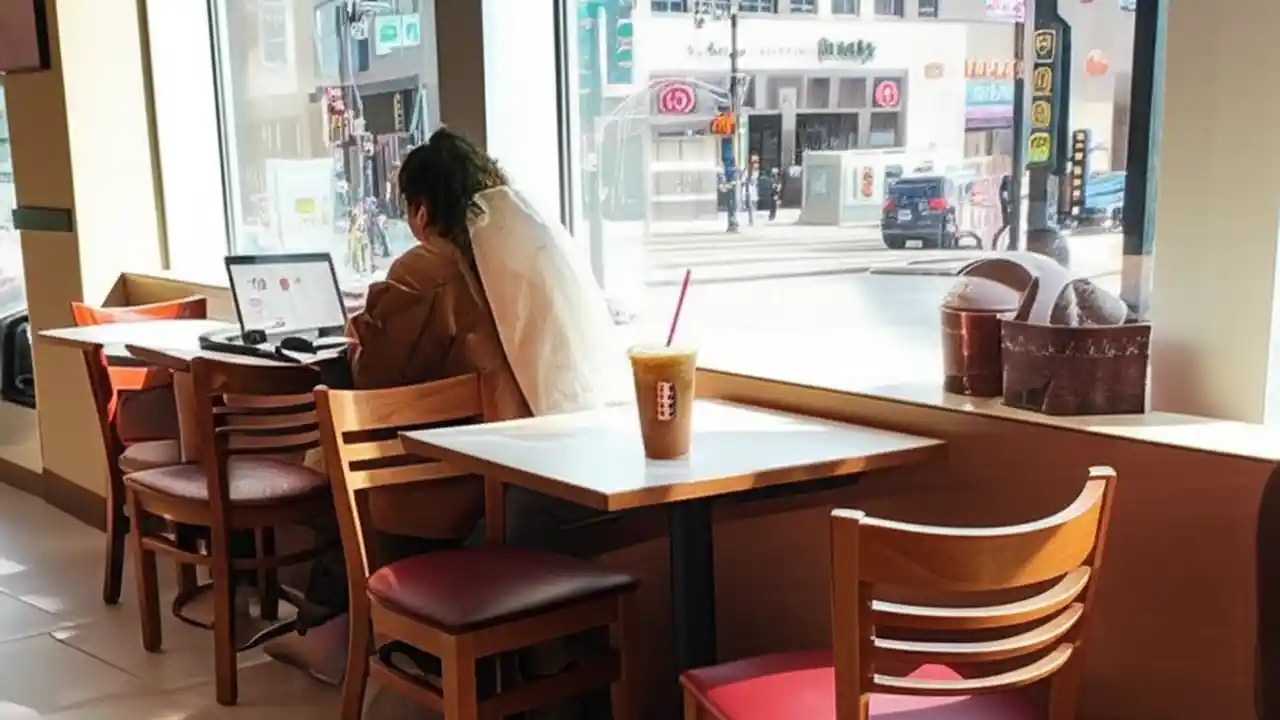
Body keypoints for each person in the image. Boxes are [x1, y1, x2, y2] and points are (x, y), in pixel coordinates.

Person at [347, 126, 625, 548]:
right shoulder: (525, 245)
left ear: (421, 211)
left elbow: (373, 374)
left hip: (475, 481)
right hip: (561, 466)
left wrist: (353, 335)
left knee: (328, 458)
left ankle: (348, 596)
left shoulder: (426, 269)